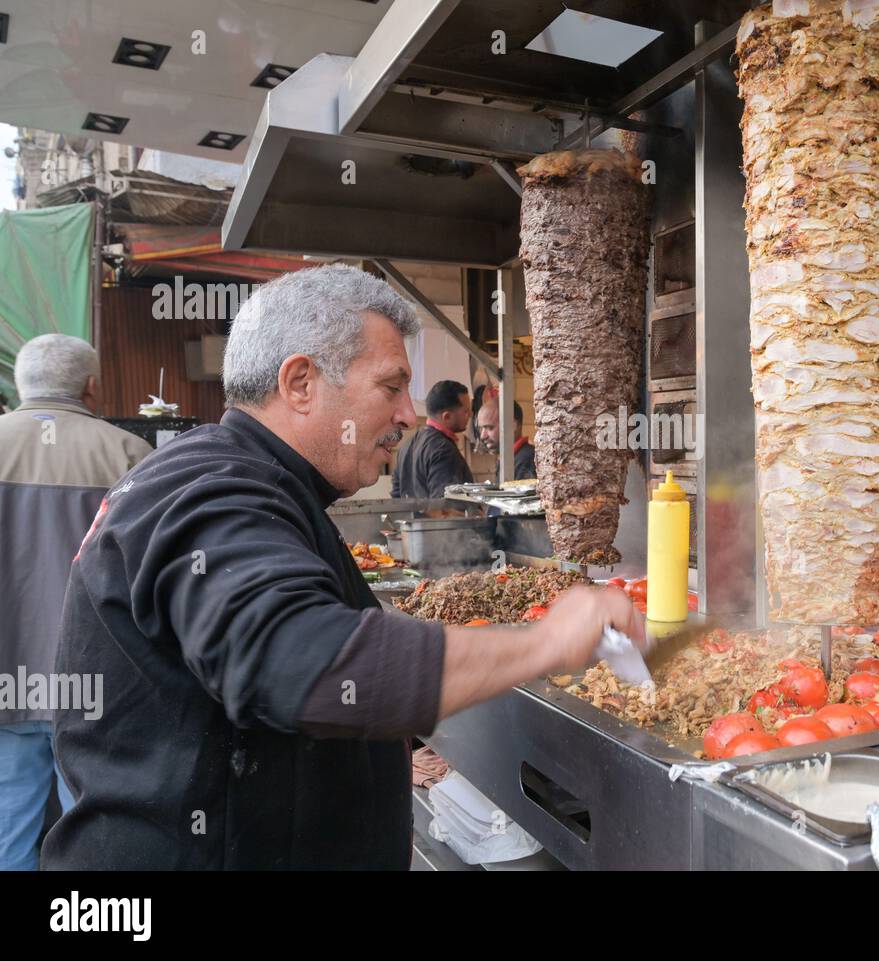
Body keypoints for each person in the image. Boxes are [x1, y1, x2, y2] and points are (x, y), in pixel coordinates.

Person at [41, 265, 640, 869]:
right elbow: (305, 663)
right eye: (390, 387)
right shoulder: (212, 488)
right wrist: (549, 641)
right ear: (301, 382)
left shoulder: (257, 482)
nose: (408, 415)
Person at [0, 334, 152, 870]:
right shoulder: (131, 456)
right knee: (91, 829)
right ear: (91, 387)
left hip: (6, 679)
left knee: (8, 822)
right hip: (96, 683)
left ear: (21, 385)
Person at [390, 379, 474, 498]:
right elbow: (446, 506)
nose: (470, 415)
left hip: (411, 516)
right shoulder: (443, 449)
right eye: (466, 411)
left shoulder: (407, 446)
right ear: (447, 416)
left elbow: (397, 496)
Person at [476, 399, 536, 480]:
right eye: (481, 429)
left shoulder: (528, 460)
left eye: (490, 428)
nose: (482, 436)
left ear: (512, 426)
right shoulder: (508, 458)